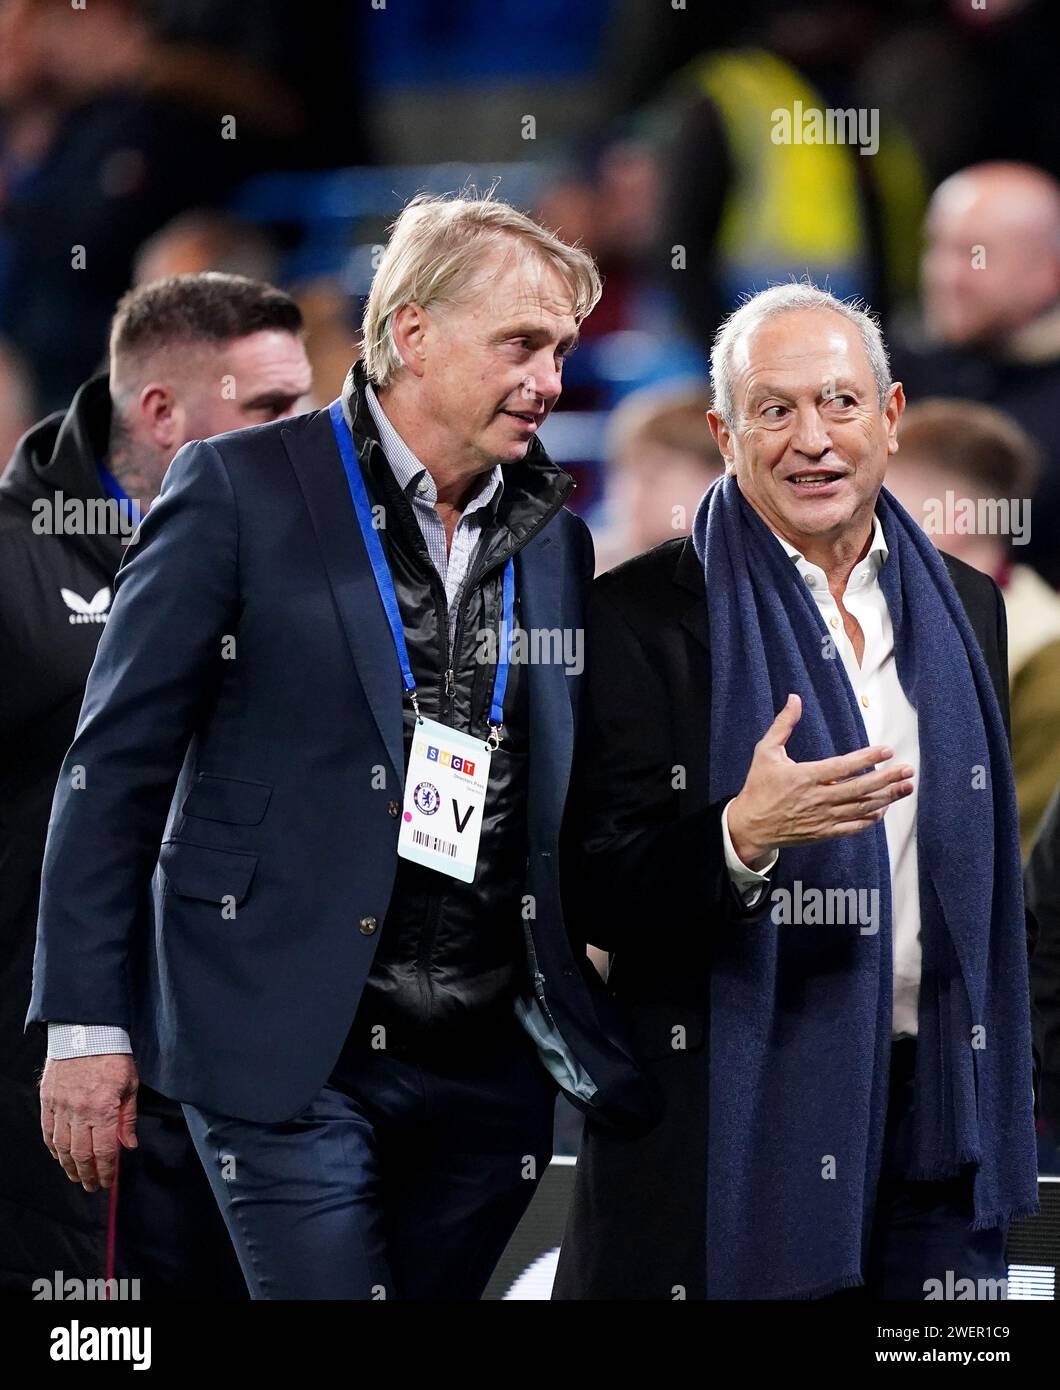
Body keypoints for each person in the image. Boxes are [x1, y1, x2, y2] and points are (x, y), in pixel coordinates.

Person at [26, 193, 658, 1302]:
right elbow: (110, 770)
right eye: (522, 343)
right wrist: (85, 1027)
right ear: (410, 333)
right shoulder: (236, 487)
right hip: (281, 1043)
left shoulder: (555, 535)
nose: (552, 381)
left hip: (483, 1059)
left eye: (561, 349)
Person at [554, 284, 1041, 1301]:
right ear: (723, 435)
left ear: (892, 416)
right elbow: (593, 888)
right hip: (731, 1113)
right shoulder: (635, 618)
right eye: (773, 411)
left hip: (937, 1111)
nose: (811, 439)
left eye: (839, 403)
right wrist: (739, 834)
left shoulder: (967, 609)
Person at [0, 271, 311, 1298]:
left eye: (305, 404)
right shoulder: (12, 564)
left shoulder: (307, 559)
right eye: (268, 409)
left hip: (232, 1058)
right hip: (49, 1064)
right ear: (161, 409)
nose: (299, 432)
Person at [886, 398, 1060, 857]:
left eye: (889, 504)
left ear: (956, 517)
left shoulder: (1046, 655)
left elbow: (1028, 852)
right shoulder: (889, 618)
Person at [893, 162, 1060, 586]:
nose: (946, 276)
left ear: (1049, 271)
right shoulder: (892, 368)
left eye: (975, 255)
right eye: (937, 247)